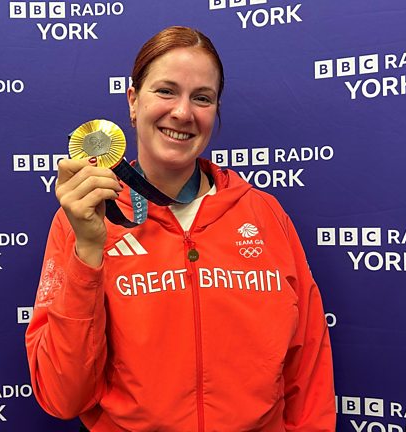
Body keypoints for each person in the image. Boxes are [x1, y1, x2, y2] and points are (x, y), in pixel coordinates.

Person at [26, 26, 335, 432]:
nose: (183, 113)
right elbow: (62, 395)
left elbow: (307, 367)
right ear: (133, 102)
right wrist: (87, 252)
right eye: (166, 91)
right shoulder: (84, 219)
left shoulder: (264, 214)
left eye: (202, 98)